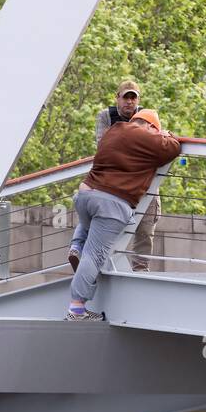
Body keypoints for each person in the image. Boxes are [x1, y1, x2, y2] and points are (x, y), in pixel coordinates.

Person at [66, 109, 181, 320]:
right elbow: (172, 148)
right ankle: (76, 309)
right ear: (151, 127)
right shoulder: (146, 136)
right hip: (111, 204)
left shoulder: (114, 130)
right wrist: (167, 134)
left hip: (84, 195)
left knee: (89, 233)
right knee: (94, 255)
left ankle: (76, 244)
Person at [69, 82, 162, 273]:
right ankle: (85, 253)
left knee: (146, 227)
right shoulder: (106, 116)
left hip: (143, 181)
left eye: (133, 98)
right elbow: (103, 146)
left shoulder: (148, 117)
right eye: (125, 97)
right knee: (94, 209)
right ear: (117, 98)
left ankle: (140, 269)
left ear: (138, 100)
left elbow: (159, 146)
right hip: (113, 182)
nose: (129, 102)